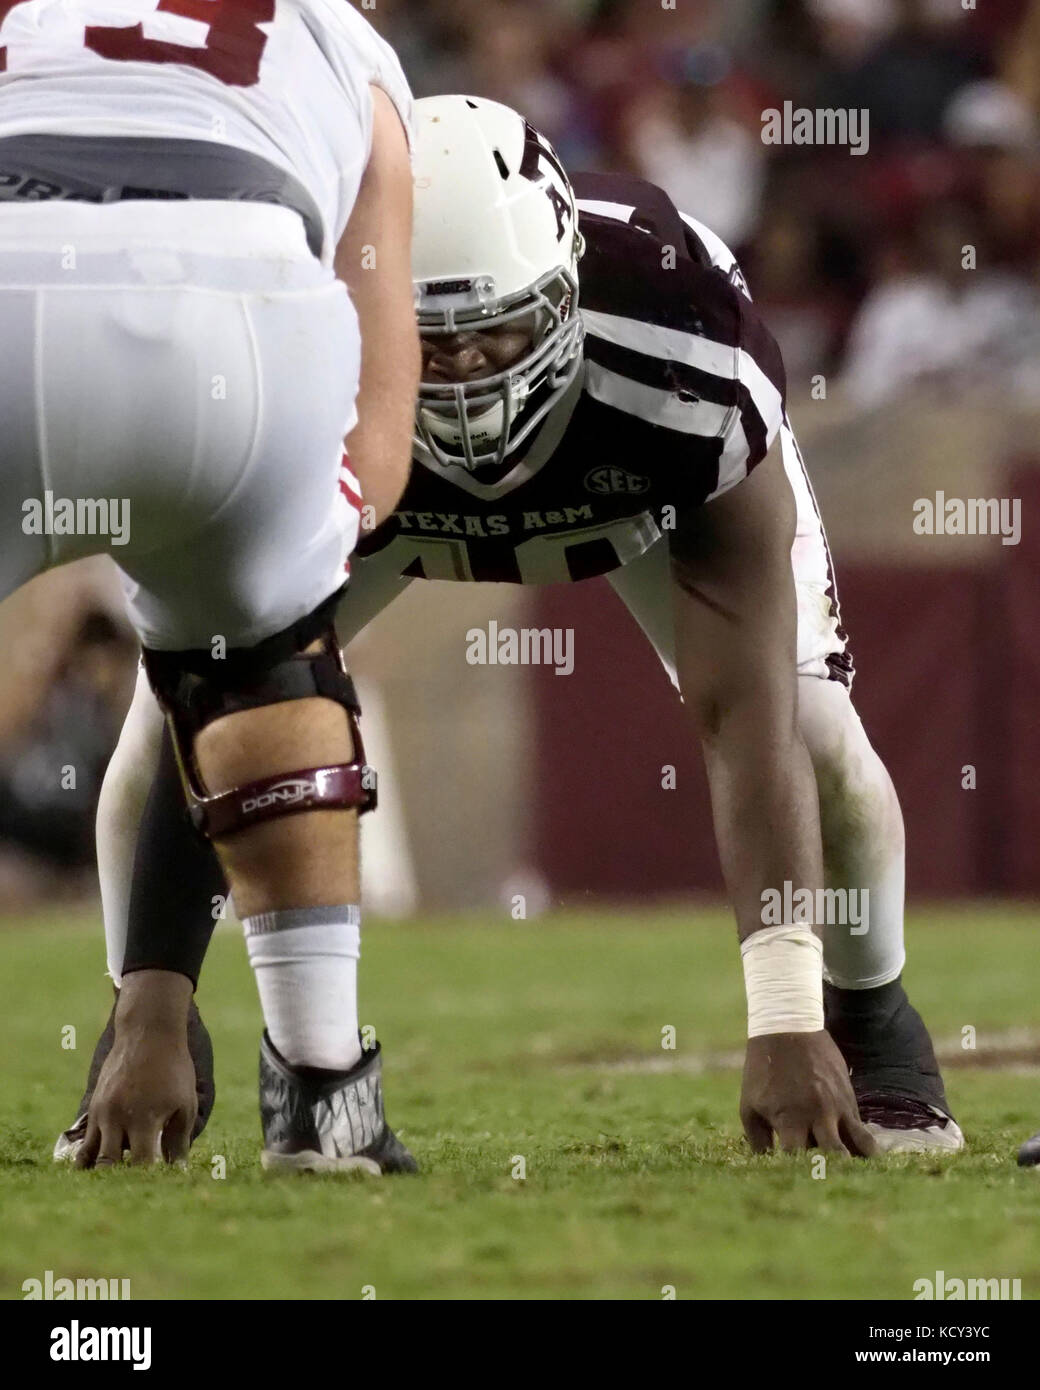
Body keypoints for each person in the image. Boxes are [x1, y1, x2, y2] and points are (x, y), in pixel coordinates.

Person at [64, 94, 962, 1162]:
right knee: (171, 727)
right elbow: (210, 693)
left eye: (495, 331)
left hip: (625, 498)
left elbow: (744, 717)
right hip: (384, 495)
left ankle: (873, 1023)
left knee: (813, 728)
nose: (468, 376)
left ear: (566, 293)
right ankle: (140, 1022)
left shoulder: (678, 343)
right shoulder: (293, 362)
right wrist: (152, 1008)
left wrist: (785, 1017)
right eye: (431, 343)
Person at [0, 0, 419, 1171]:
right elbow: (382, 390)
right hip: (231, 295)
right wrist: (292, 562)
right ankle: (323, 1094)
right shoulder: (339, 39)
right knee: (267, 668)